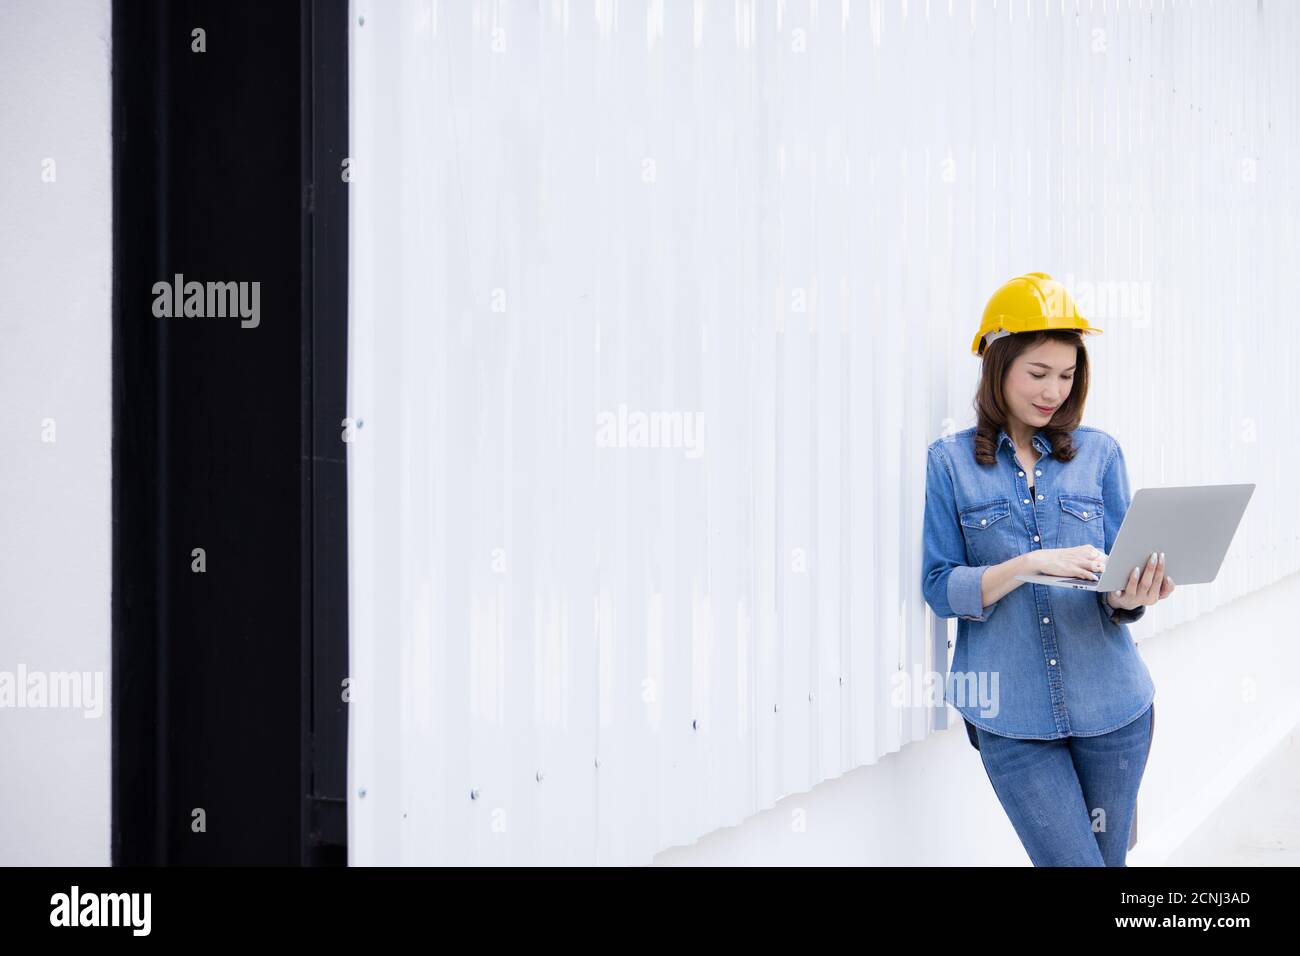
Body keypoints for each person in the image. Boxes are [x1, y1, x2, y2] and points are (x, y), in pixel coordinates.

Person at [921, 272, 1175, 866]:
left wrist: (1131, 594)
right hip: (1010, 717)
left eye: (1067, 375)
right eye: (1038, 374)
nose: (1054, 391)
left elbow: (1116, 581)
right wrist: (1028, 565)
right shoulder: (950, 463)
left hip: (1114, 709)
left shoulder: (1101, 454)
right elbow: (939, 585)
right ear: (997, 366)